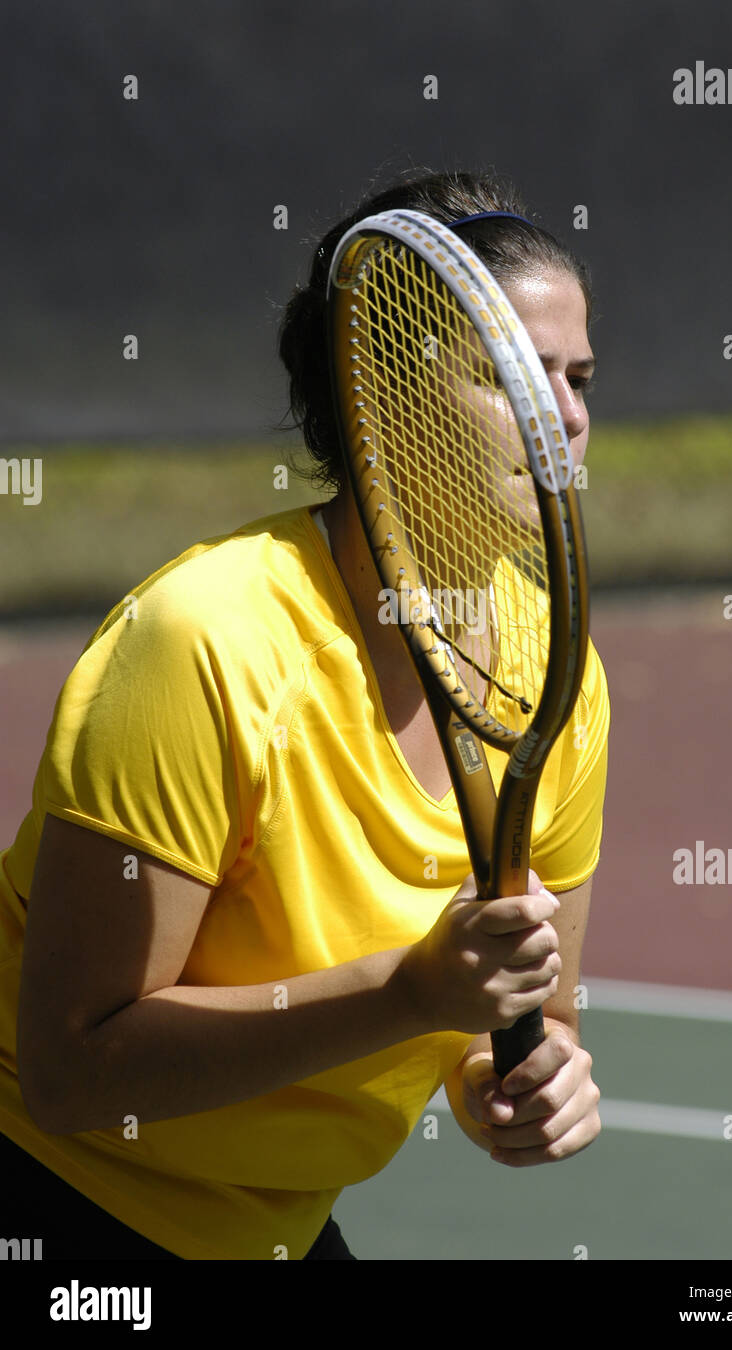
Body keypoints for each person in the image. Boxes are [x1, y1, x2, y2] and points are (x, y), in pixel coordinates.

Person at [0, 169, 610, 1261]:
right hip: (57, 1199)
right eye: (508, 375)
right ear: (381, 391)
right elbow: (69, 1071)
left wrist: (514, 1069)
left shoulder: (558, 675)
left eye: (578, 376)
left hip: (273, 1223)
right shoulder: (205, 640)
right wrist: (405, 993)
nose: (561, 415)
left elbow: (529, 1004)